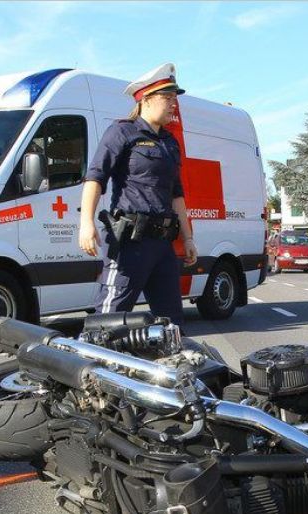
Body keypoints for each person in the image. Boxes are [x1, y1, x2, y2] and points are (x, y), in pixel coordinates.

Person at [79, 63, 198, 326]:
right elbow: (95, 177)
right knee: (108, 321)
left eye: (174, 98)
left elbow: (176, 194)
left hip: (162, 245)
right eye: (167, 98)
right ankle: (93, 364)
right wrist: (86, 223)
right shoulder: (122, 132)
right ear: (145, 99)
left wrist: (188, 238)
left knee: (171, 325)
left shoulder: (169, 142)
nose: (173, 104)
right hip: (129, 244)